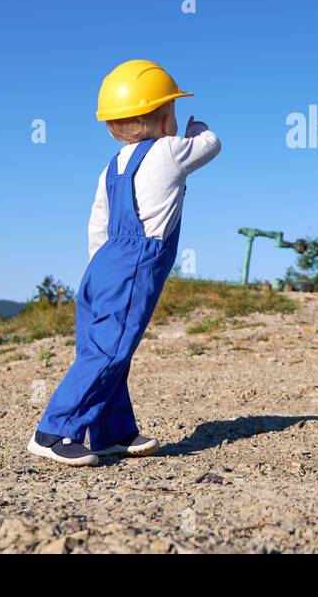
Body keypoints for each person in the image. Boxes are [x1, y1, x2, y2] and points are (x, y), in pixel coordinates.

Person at [28, 60, 220, 466]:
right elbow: (212, 145)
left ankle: (112, 431)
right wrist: (197, 129)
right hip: (136, 262)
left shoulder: (112, 167)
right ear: (166, 115)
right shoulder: (172, 150)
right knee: (110, 350)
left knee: (105, 346)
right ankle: (53, 431)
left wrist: (100, 267)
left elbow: (97, 223)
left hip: (103, 262)